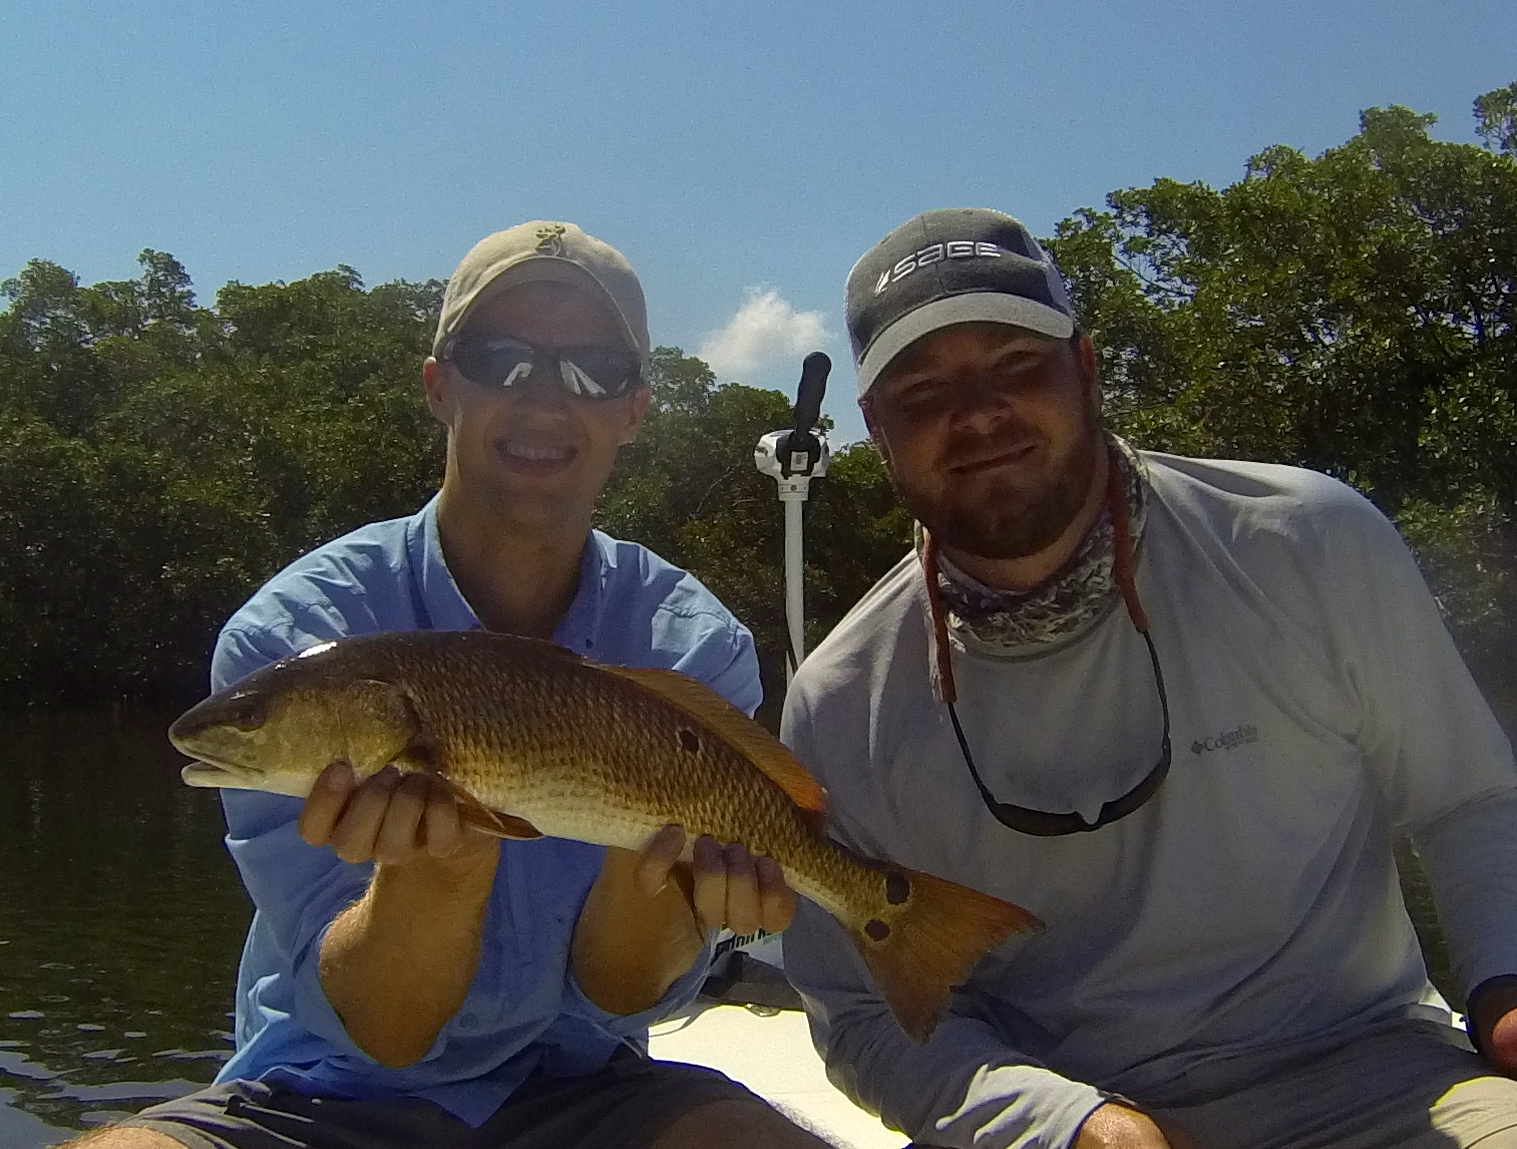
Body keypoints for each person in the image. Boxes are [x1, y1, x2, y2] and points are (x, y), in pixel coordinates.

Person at [82, 221, 833, 1149]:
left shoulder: (691, 641)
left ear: (634, 409)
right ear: (439, 385)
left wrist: (670, 874)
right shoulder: (292, 631)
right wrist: (439, 873)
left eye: (593, 368)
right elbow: (386, 1029)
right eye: (500, 358)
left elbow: (622, 993)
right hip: (320, 1095)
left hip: (587, 1086)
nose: (546, 398)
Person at [780, 207, 1517, 1149]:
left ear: (1086, 369)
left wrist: (1502, 989)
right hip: (1063, 1115)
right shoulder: (840, 701)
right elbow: (862, 1011)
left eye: (1016, 366)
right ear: (877, 431)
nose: (977, 414)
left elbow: (1469, 802)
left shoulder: (1307, 543)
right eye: (923, 393)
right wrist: (1069, 1123)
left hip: (1373, 1075)